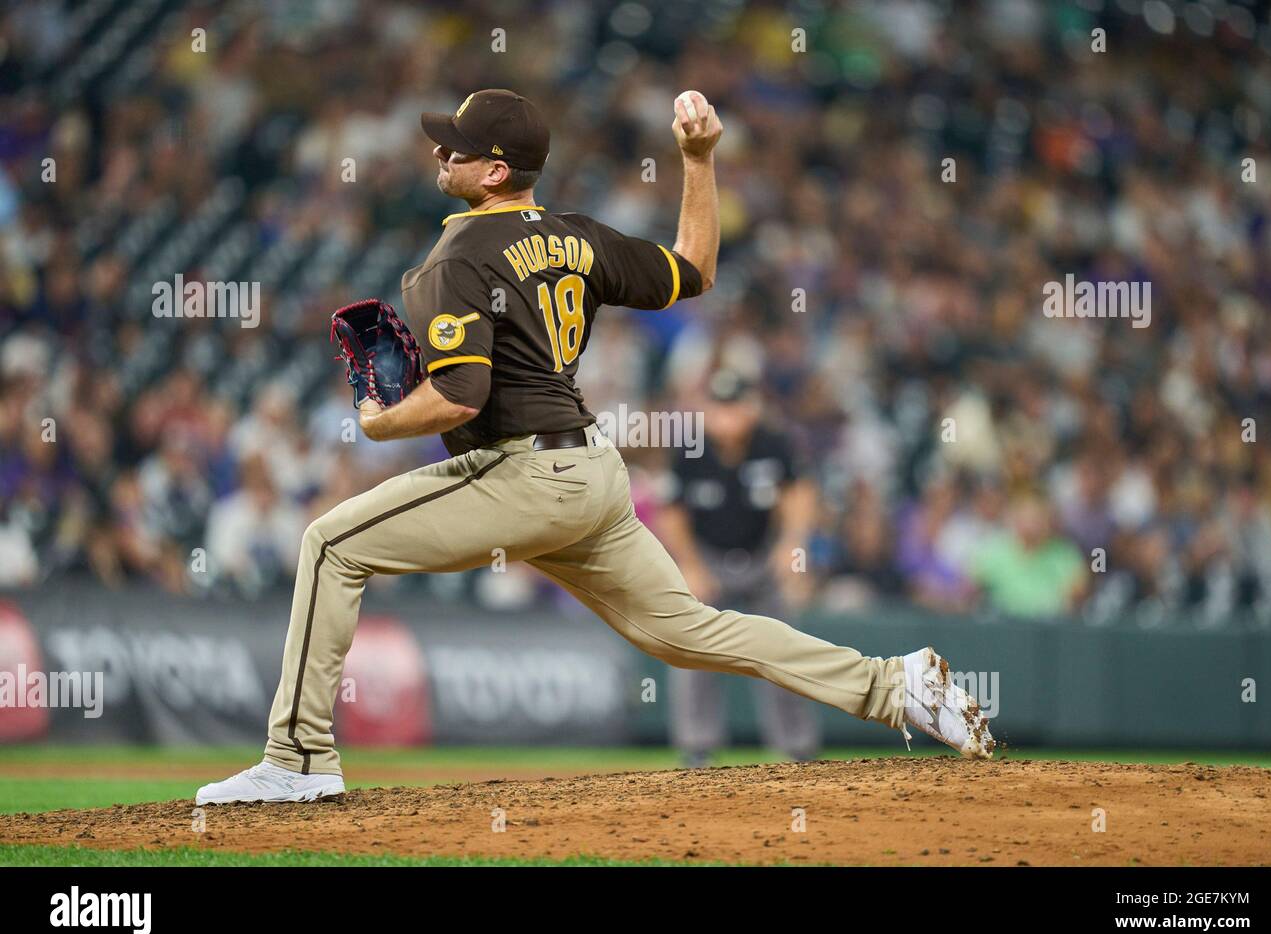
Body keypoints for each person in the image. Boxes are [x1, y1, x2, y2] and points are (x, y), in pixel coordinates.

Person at [197, 89, 994, 804]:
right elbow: (693, 269)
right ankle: (897, 686)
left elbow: (461, 395)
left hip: (524, 473)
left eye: (460, 148)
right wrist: (699, 161)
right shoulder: (574, 236)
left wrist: (378, 419)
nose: (442, 154)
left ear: (497, 172)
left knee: (331, 543)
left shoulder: (455, 258)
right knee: (689, 632)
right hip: (591, 474)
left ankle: (298, 758)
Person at [658, 369, 820, 766]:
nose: (727, 417)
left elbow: (800, 492)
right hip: (709, 560)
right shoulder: (690, 449)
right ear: (707, 410)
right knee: (693, 652)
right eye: (719, 408)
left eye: (735, 407)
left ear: (751, 408)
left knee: (782, 649)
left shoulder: (773, 442)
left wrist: (792, 545)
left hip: (762, 559)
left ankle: (797, 748)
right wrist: (691, 565)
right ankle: (697, 748)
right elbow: (673, 512)